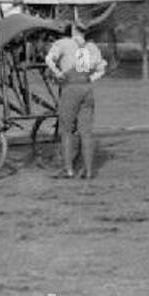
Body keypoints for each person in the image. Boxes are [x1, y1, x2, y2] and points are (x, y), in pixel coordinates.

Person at [45, 20, 107, 179]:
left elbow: (49, 59)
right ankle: (88, 171)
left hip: (70, 88)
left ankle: (68, 170)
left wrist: (57, 73)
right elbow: (101, 68)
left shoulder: (63, 43)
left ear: (72, 29)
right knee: (86, 132)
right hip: (86, 89)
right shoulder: (90, 47)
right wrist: (91, 79)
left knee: (66, 130)